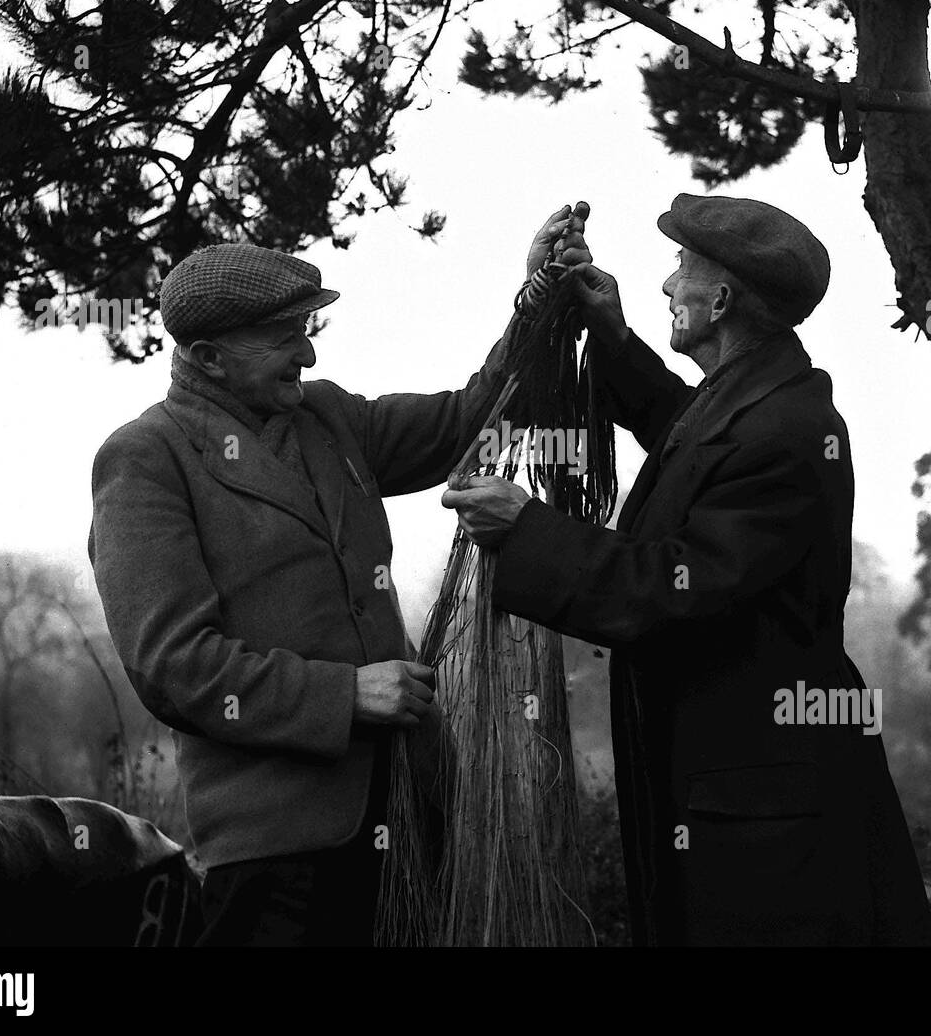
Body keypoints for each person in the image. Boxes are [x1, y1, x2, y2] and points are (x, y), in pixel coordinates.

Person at [443, 194, 931, 946]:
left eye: (682, 269)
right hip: (748, 795)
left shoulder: (788, 432)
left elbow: (671, 587)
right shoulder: (755, 401)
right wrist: (609, 332)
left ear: (724, 298)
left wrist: (527, 529)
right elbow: (686, 433)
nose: (668, 287)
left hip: (768, 821)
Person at [87, 217, 575, 946]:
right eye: (284, 336)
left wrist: (535, 302)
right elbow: (175, 666)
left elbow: (470, 422)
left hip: (412, 814)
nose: (308, 351)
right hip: (278, 858)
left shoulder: (327, 416)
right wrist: (343, 695)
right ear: (208, 357)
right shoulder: (145, 460)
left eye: (305, 329)